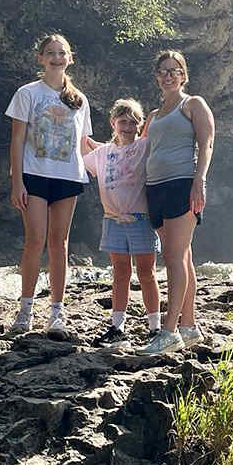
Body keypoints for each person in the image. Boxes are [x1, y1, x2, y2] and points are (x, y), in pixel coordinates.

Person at [6, 33, 92, 339]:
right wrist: (17, 182)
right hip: (35, 175)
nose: (57, 57)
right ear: (41, 58)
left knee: (60, 243)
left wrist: (119, 159)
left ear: (70, 58)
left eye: (62, 53)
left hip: (69, 177)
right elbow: (17, 139)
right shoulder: (27, 93)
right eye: (51, 53)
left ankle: (56, 313)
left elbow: (84, 145)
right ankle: (25, 311)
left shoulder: (79, 99)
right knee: (35, 240)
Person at [138, 49, 215, 354]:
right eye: (163, 71)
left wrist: (200, 181)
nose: (169, 75)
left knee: (172, 255)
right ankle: (189, 325)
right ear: (157, 77)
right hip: (154, 188)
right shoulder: (154, 116)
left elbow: (207, 143)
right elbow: (137, 151)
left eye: (175, 70)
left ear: (184, 75)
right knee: (183, 258)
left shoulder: (192, 104)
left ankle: (168, 331)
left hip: (182, 185)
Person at [82, 98, 162, 350]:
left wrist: (150, 115)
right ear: (113, 123)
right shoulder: (103, 153)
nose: (127, 126)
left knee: (147, 273)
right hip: (112, 220)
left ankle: (155, 328)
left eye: (132, 122)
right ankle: (117, 328)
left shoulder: (144, 146)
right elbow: (81, 146)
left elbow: (155, 118)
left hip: (140, 219)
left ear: (139, 125)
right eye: (122, 121)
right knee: (119, 272)